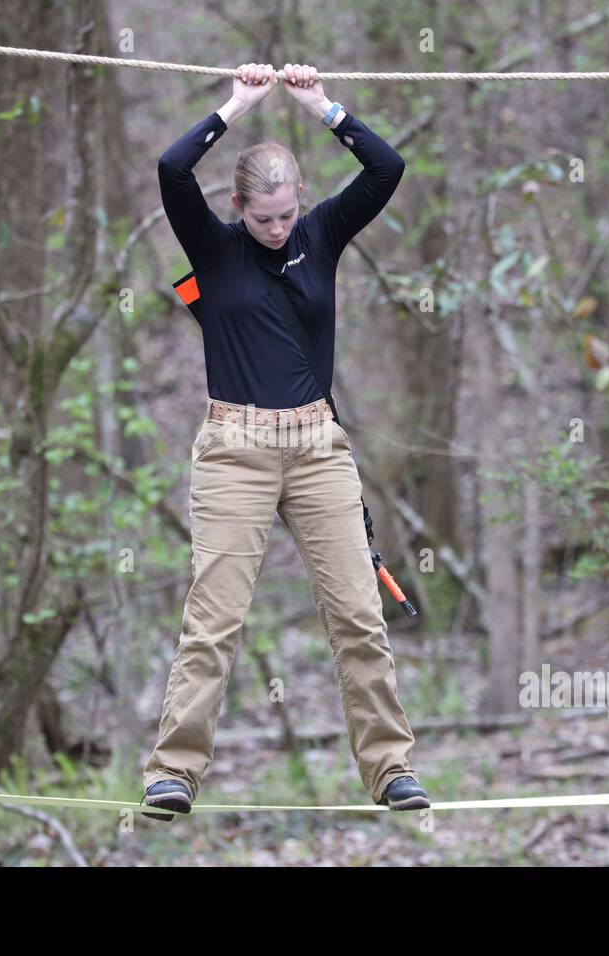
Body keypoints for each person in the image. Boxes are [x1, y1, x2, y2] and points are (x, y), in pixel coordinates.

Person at [141, 63, 427, 821]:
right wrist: (238, 103)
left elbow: (387, 166)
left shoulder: (321, 234)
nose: (277, 228)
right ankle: (174, 772)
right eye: (263, 217)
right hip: (235, 448)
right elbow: (172, 167)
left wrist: (321, 106)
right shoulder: (213, 246)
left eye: (286, 214)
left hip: (317, 448)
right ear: (238, 208)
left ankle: (390, 768)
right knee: (215, 620)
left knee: (358, 613)